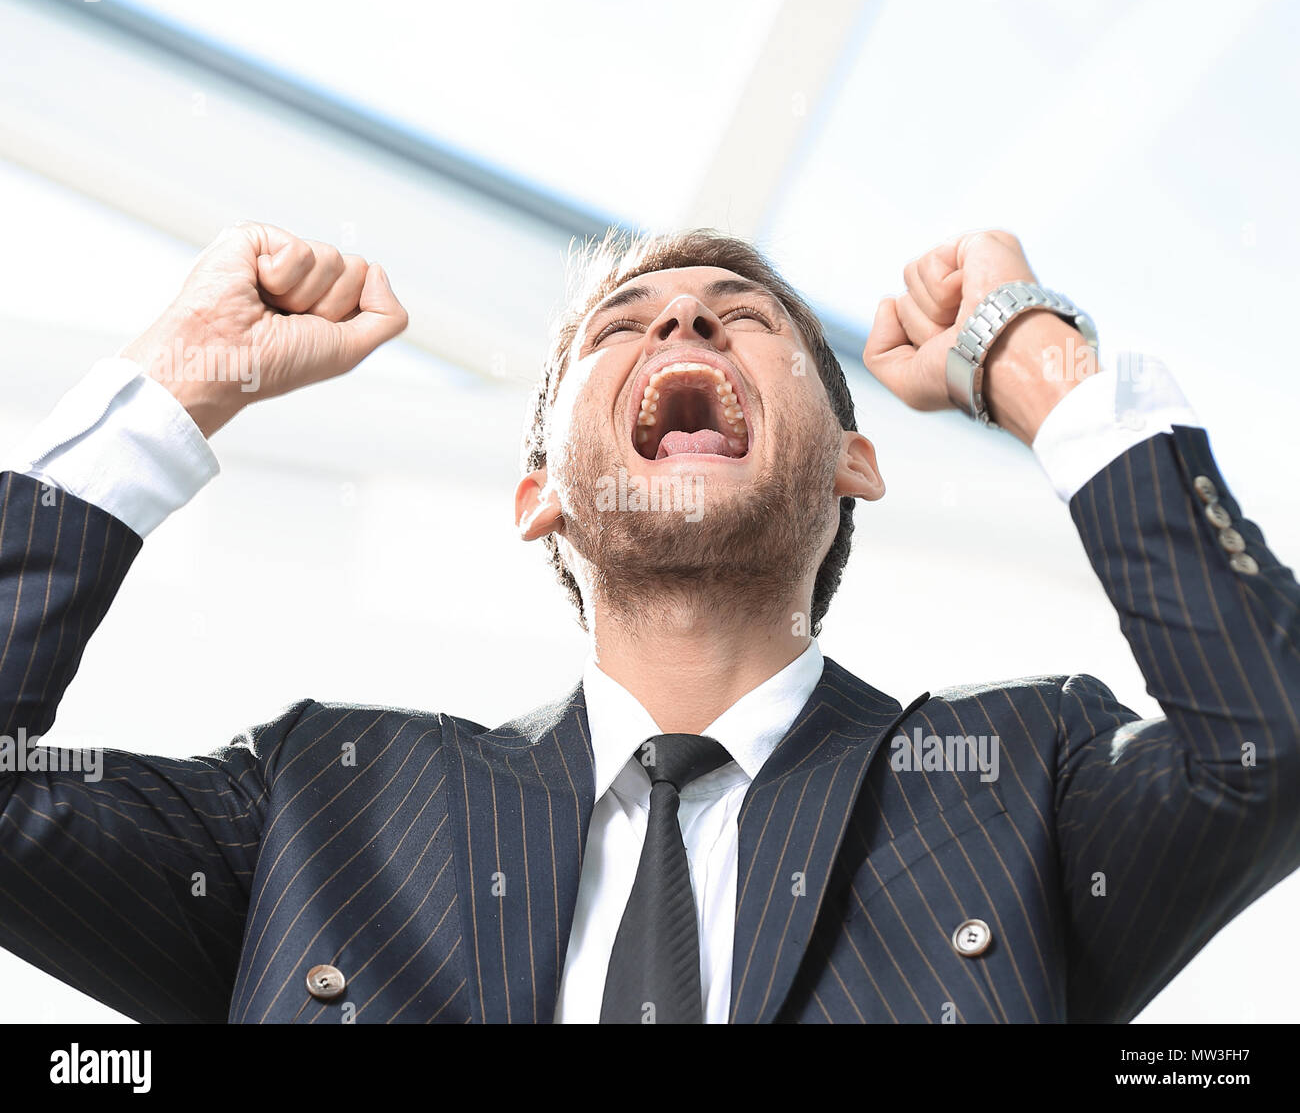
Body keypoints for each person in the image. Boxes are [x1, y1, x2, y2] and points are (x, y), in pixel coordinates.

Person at [0, 222, 1295, 1024]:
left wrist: (1030, 355)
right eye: (625, 325)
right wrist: (179, 380)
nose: (682, 317)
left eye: (745, 321)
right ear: (541, 500)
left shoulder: (1025, 782)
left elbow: (1271, 743)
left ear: (856, 462)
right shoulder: (320, 807)